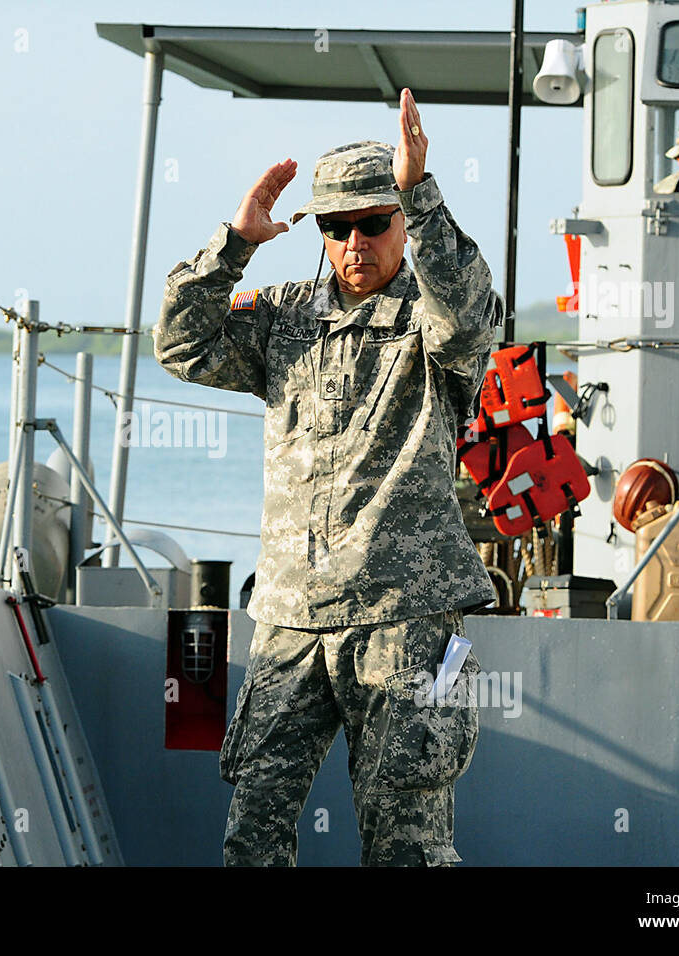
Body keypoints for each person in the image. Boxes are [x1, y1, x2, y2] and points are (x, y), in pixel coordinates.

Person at [154, 88, 500, 866]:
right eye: (335, 227)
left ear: (401, 225)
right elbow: (179, 343)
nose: (355, 243)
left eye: (375, 222)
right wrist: (235, 245)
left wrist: (422, 192)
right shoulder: (283, 317)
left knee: (406, 845)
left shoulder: (433, 322)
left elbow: (473, 315)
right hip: (289, 618)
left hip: (401, 620)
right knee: (254, 833)